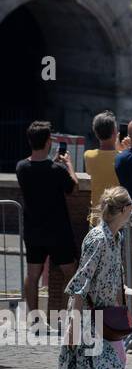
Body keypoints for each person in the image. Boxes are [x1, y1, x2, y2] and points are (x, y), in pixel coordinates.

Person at [58, 186, 132, 369]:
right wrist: (73, 323)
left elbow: (110, 277)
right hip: (89, 324)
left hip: (107, 323)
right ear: (124, 209)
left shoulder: (116, 238)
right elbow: (81, 282)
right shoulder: (98, 239)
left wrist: (122, 310)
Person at [16, 121, 77, 317]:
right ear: (49, 141)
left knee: (32, 274)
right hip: (58, 231)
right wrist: (69, 165)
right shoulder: (57, 170)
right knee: (71, 273)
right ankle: (67, 317)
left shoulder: (21, 167)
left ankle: (33, 318)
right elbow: (73, 187)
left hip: (33, 230)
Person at [84, 112, 121, 206]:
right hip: (116, 213)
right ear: (115, 132)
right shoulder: (123, 157)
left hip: (97, 212)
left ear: (96, 133)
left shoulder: (88, 155)